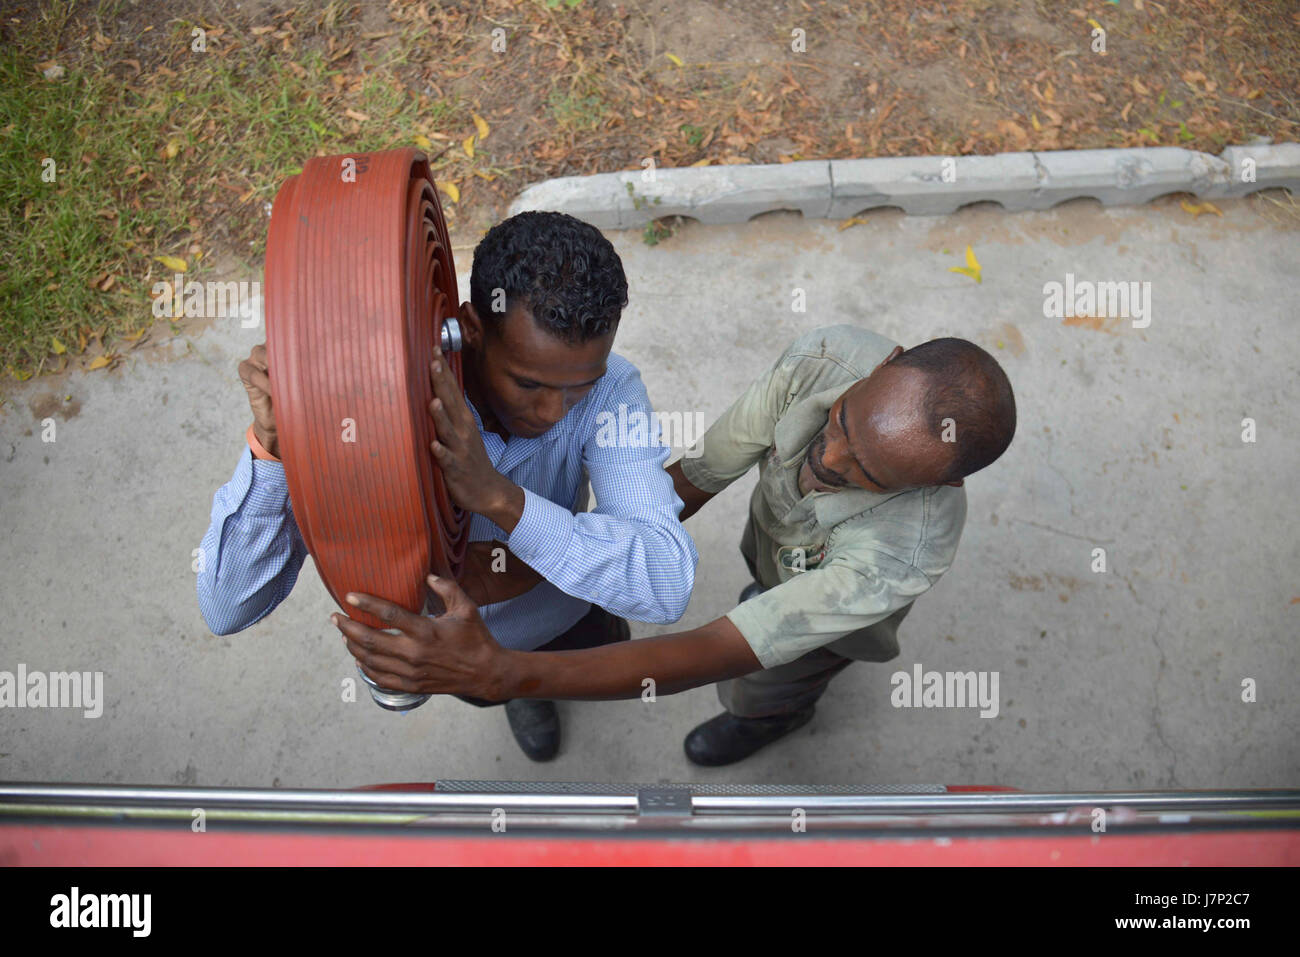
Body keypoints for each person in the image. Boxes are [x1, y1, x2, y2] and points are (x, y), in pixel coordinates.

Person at [330, 323, 1016, 766]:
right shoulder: (824, 361)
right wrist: (571, 553)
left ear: (942, 485)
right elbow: (699, 473)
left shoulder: (903, 551)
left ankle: (776, 716)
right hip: (772, 548)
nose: (829, 457)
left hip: (831, 622)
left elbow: (721, 645)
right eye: (840, 423)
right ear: (883, 366)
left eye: (870, 472)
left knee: (759, 684)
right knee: (757, 574)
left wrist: (500, 673)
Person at [197, 211, 697, 761]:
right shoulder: (366, 410)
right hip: (465, 654)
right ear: (470, 329)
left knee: (590, 648)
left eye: (579, 386)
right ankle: (515, 697)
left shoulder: (612, 390)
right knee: (489, 689)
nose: (554, 411)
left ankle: (530, 684)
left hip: (570, 609)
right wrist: (273, 450)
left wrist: (501, 500)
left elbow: (665, 583)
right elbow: (227, 607)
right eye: (528, 383)